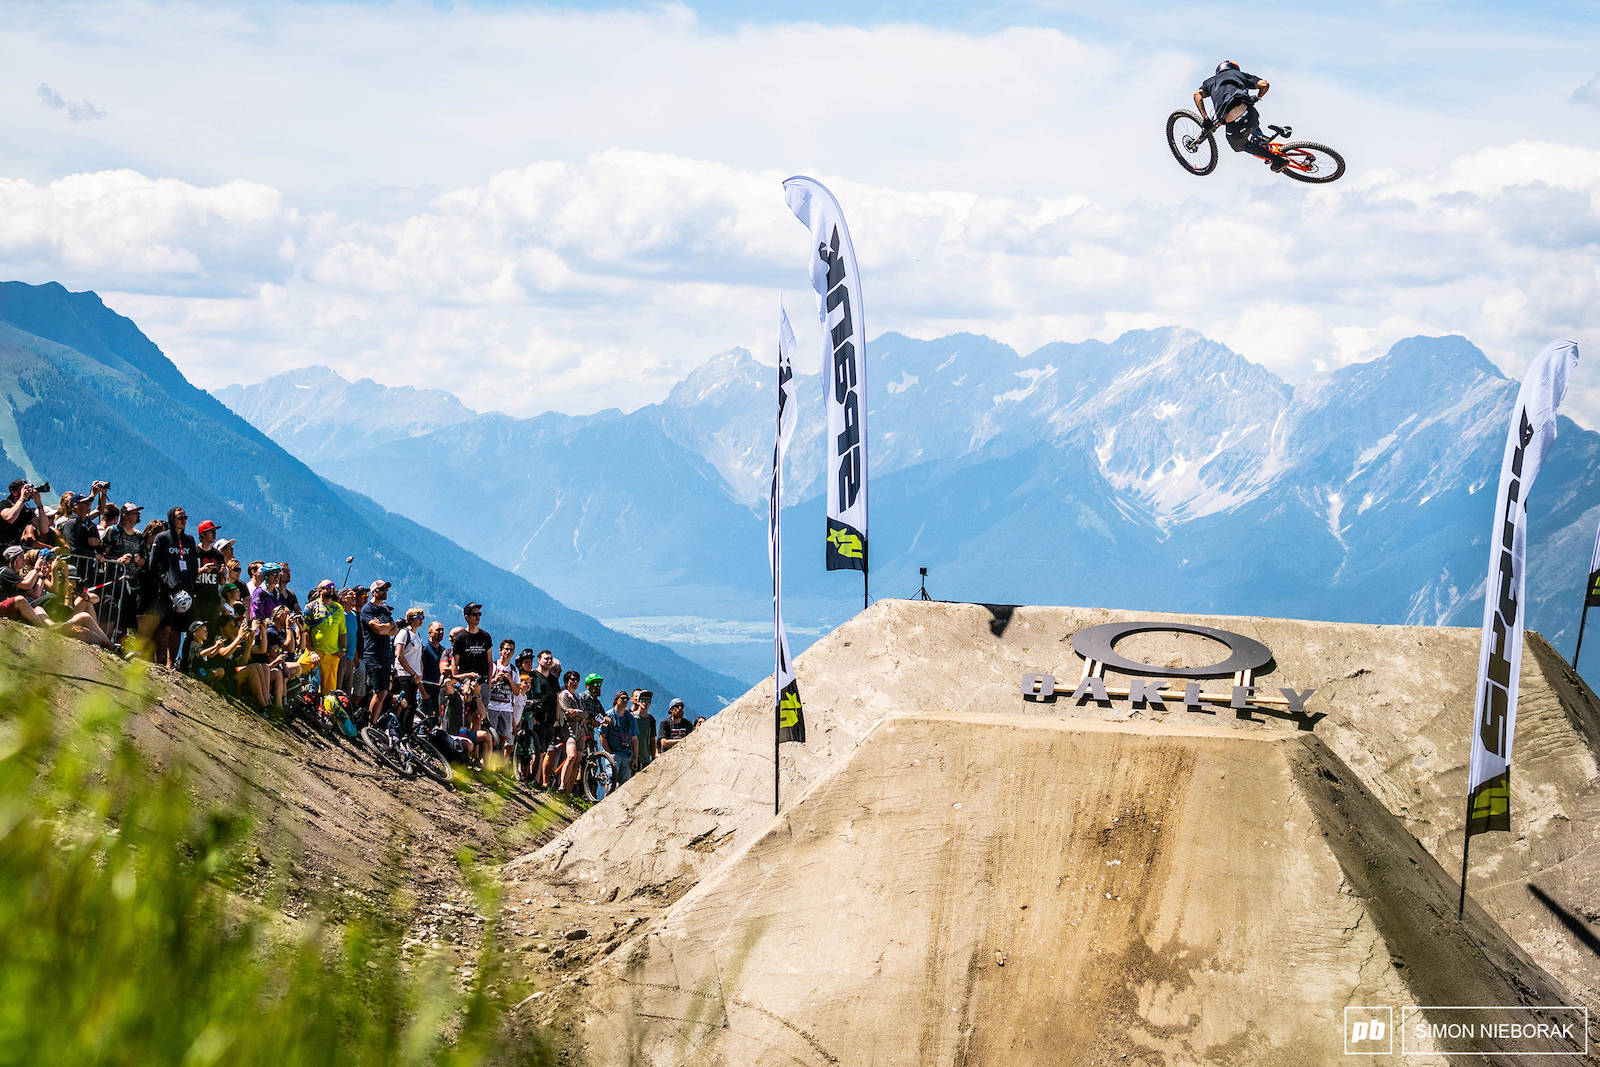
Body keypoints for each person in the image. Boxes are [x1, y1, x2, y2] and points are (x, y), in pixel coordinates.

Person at [1194, 61, 1284, 171]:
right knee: (1249, 121)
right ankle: (1261, 139)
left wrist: (1205, 118)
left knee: (1238, 145)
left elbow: (1197, 95)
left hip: (1233, 121)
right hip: (1251, 115)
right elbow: (1264, 85)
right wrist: (1256, 98)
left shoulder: (1210, 82)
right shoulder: (1240, 75)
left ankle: (1278, 160)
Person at [149, 506, 198, 667]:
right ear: (172, 519)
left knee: (178, 629)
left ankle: (171, 665)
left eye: (185, 518)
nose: (184, 521)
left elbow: (193, 567)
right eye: (180, 518)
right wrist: (166, 584)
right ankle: (159, 661)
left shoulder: (189, 540)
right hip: (167, 591)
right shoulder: (162, 538)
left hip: (185, 593)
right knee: (165, 628)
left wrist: (190, 586)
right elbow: (154, 565)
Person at [360, 579, 399, 728]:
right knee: (380, 692)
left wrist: (386, 627)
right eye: (382, 589)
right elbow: (379, 630)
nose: (385, 592)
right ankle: (369, 725)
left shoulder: (385, 610)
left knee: (383, 692)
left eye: (386, 589)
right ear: (374, 592)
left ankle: (373, 724)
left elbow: (394, 631)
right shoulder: (367, 609)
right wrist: (387, 627)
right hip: (373, 654)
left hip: (385, 654)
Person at [450, 602, 494, 724]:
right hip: (466, 682)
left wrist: (489, 681)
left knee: (480, 717)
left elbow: (490, 660)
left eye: (479, 614)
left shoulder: (485, 636)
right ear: (467, 617)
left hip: (483, 681)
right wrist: (458, 678)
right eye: (474, 614)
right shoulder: (461, 637)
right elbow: (455, 661)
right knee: (466, 715)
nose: (478, 617)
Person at [526, 649, 562, 788]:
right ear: (539, 660)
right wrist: (532, 716)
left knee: (544, 751)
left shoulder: (553, 679)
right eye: (545, 658)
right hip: (537, 718)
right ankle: (532, 779)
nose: (548, 661)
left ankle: (540, 781)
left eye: (550, 659)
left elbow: (557, 699)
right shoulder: (533, 675)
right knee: (536, 750)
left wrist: (557, 719)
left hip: (550, 720)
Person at [304, 580, 346, 696]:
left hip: (332, 656)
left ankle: (324, 713)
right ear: (320, 590)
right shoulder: (310, 607)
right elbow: (305, 631)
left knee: (329, 693)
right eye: (327, 586)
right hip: (315, 653)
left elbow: (342, 632)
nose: (331, 588)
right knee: (300, 672)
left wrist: (343, 649)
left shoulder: (339, 608)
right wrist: (311, 651)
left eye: (333, 586)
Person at [393, 606, 426, 734]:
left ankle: (406, 730)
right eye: (418, 617)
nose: (421, 620)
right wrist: (413, 673)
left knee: (412, 705)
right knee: (408, 704)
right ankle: (404, 731)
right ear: (411, 619)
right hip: (404, 674)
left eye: (422, 617)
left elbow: (419, 657)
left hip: (415, 676)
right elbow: (400, 656)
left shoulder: (417, 635)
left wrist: (420, 673)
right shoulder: (403, 633)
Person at [599, 689, 637, 791]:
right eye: (622, 698)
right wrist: (609, 753)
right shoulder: (609, 716)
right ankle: (607, 801)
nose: (625, 701)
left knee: (624, 784)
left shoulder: (631, 718)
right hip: (614, 754)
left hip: (627, 754)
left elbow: (634, 738)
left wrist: (636, 758)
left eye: (627, 699)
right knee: (611, 780)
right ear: (616, 700)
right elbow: (602, 735)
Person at [556, 670, 585, 792]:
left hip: (580, 732)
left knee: (577, 761)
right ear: (567, 681)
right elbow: (568, 713)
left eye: (577, 680)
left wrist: (577, 713)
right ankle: (562, 785)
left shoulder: (578, 697)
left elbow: (585, 713)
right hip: (569, 731)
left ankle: (569, 790)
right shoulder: (564, 695)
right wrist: (580, 714)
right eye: (572, 680)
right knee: (571, 756)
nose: (575, 682)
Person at [0, 480, 45, 547]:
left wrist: (39, 505)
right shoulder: (5, 504)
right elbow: (9, 518)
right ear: (14, 493)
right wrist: (22, 499)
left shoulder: (26, 511)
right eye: (23, 489)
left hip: (15, 546)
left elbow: (44, 529)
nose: (26, 491)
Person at [419, 620, 447, 723]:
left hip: (439, 690)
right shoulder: (424, 650)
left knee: (439, 719)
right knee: (426, 719)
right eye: (438, 630)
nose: (441, 632)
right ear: (430, 633)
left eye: (442, 630)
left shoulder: (443, 651)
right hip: (426, 688)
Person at [634, 689, 657, 771]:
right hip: (631, 758)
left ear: (650, 703)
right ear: (638, 702)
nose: (645, 702)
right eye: (643, 700)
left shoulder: (651, 720)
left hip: (645, 759)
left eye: (648, 700)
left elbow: (652, 740)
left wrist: (654, 757)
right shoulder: (632, 717)